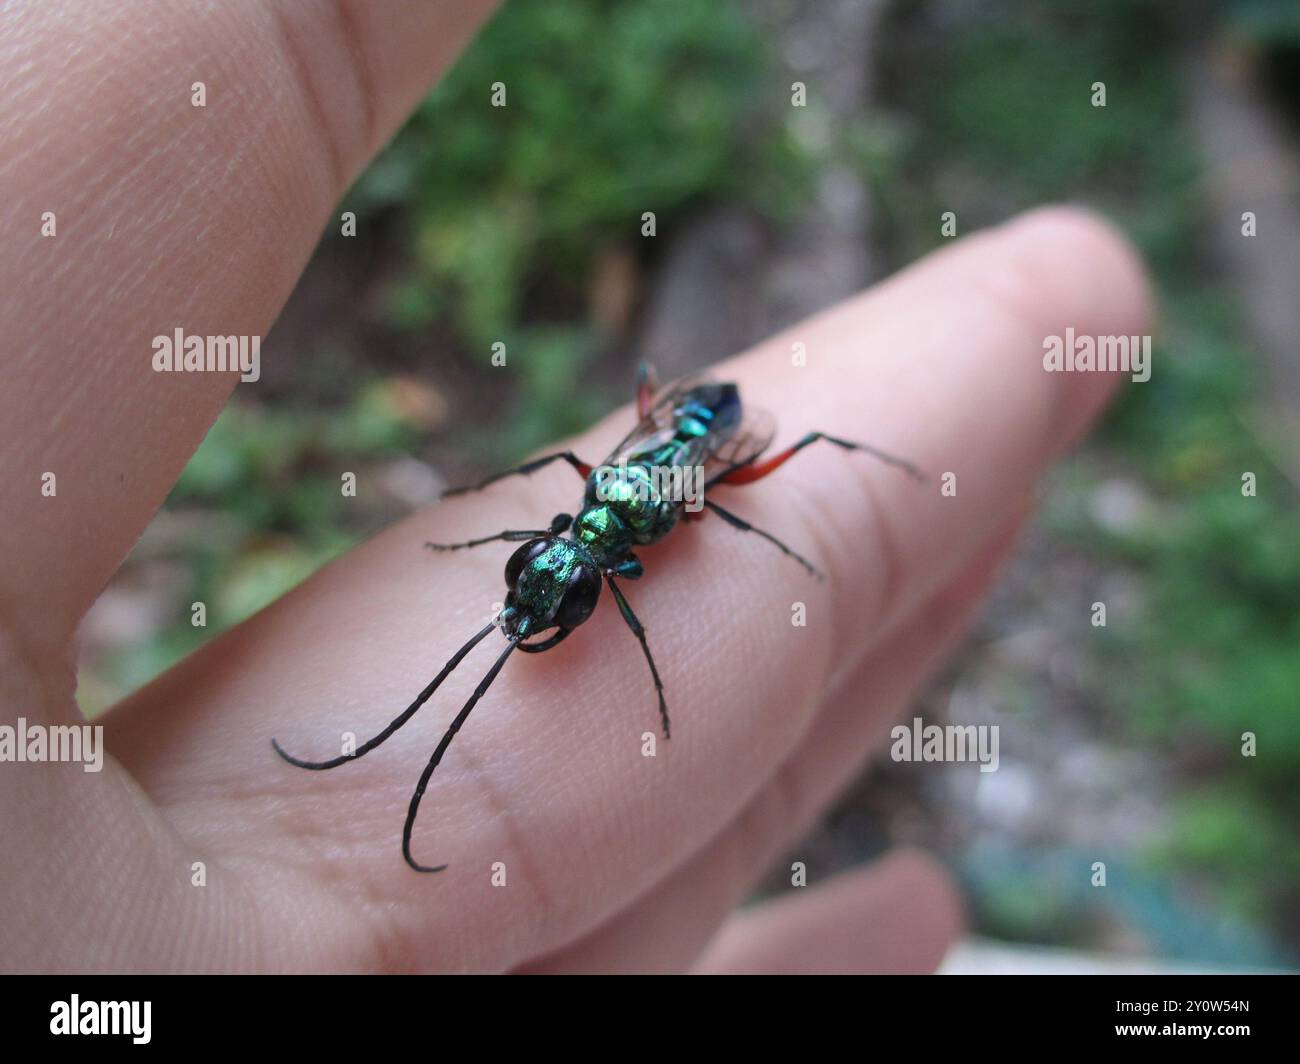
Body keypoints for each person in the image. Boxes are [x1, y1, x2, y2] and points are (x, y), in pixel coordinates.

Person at [0, 1, 1150, 973]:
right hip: (665, 430)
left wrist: (719, 591)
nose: (543, 596)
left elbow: (665, 536)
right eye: (544, 585)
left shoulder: (639, 520)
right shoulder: (584, 514)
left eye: (540, 586)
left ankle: (872, 454)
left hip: (712, 438)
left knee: (801, 474)